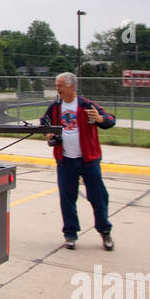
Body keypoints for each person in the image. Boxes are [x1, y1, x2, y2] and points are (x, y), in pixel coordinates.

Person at [40, 72, 116, 250]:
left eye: (59, 85)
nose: (56, 89)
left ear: (71, 86)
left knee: (98, 197)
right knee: (67, 199)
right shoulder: (55, 107)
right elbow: (44, 122)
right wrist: (48, 132)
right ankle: (70, 234)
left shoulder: (86, 105)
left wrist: (100, 119)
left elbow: (110, 119)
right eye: (56, 85)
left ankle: (105, 231)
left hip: (89, 160)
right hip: (66, 161)